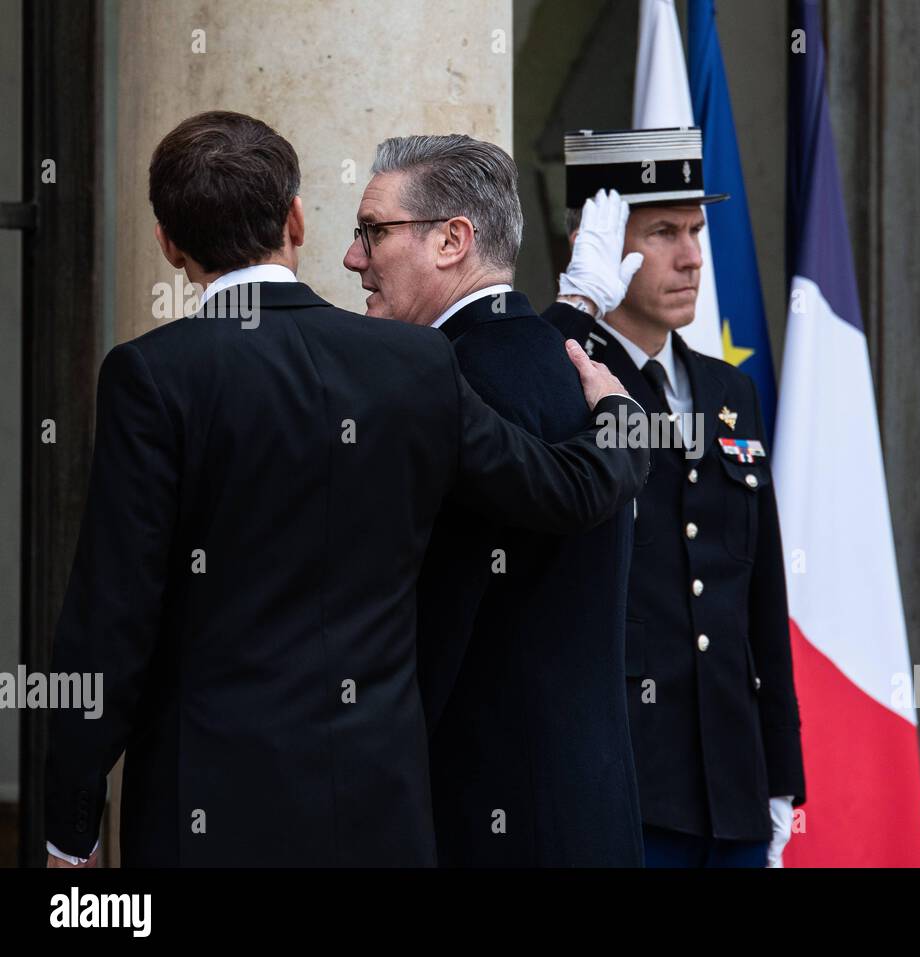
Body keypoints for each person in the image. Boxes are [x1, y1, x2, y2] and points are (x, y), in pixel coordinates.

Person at [43, 110, 646, 868]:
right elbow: (566, 489)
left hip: (209, 813)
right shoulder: (412, 364)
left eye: (373, 232)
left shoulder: (151, 374)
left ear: (167, 243)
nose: (356, 257)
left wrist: (70, 825)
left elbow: (109, 622)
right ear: (295, 220)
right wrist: (621, 414)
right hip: (377, 814)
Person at [342, 135, 645, 866]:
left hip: (480, 819)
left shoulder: (435, 386)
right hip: (592, 811)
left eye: (373, 231)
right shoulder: (576, 369)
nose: (354, 257)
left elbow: (429, 633)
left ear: (453, 240)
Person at [545, 127, 806, 868]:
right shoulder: (555, 380)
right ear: (594, 241)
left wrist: (781, 774)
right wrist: (570, 311)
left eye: (695, 229)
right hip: (618, 780)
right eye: (661, 232)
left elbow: (760, 589)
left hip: (729, 785)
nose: (692, 256)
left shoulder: (730, 391)